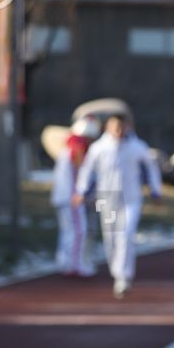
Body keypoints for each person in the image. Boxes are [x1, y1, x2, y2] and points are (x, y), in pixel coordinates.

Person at [74, 113, 162, 298]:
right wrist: (81, 191)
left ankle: (123, 276)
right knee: (111, 238)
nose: (119, 131)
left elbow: (151, 168)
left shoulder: (137, 147)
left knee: (126, 235)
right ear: (107, 127)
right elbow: (87, 170)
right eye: (115, 127)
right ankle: (116, 273)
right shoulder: (99, 148)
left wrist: (155, 190)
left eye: (122, 127)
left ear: (128, 127)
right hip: (106, 199)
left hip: (131, 199)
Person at [50, 117, 99, 276]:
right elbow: (78, 174)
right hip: (71, 198)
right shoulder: (77, 148)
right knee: (79, 231)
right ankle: (75, 265)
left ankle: (64, 261)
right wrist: (82, 194)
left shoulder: (68, 147)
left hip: (62, 196)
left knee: (67, 230)